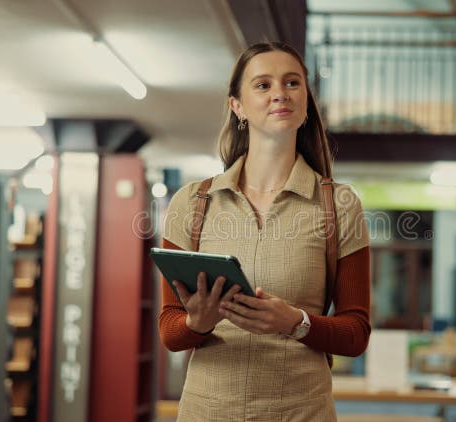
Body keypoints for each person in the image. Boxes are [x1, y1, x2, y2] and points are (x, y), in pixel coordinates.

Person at [158, 42, 371, 421]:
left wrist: (295, 323)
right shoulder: (192, 202)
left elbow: (356, 333)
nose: (279, 93)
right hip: (208, 411)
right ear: (236, 106)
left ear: (306, 103)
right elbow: (170, 331)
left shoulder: (339, 205)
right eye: (262, 85)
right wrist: (197, 323)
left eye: (292, 83)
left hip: (301, 412)